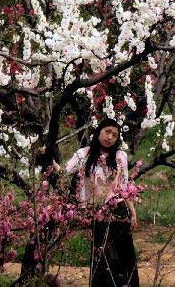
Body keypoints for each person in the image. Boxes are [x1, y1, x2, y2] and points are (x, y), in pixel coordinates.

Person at [65, 118, 140, 287]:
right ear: (99, 131)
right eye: (107, 132)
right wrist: (46, 157)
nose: (110, 137)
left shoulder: (121, 156)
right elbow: (65, 170)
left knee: (124, 254)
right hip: (95, 211)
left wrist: (133, 212)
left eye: (114, 135)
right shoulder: (83, 154)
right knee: (102, 255)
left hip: (118, 209)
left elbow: (125, 186)